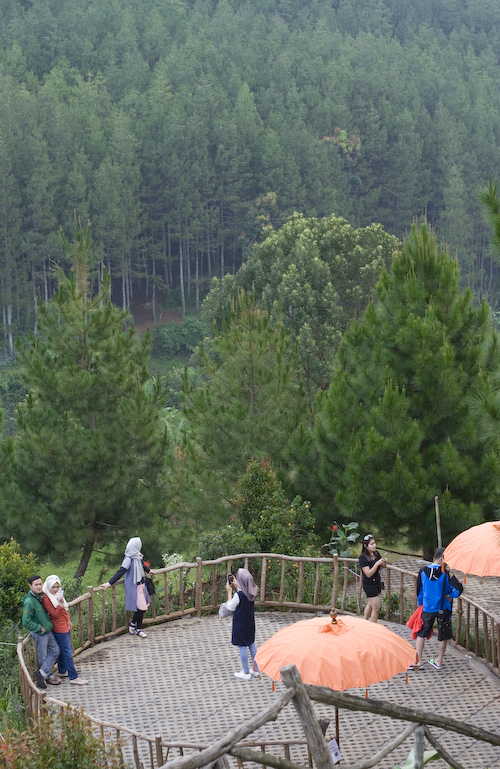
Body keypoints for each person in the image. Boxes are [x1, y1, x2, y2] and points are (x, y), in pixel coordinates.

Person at [409, 546, 463, 671]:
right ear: (442, 559)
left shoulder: (423, 571)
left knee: (421, 634)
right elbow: (459, 589)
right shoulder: (447, 574)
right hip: (443, 608)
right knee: (442, 635)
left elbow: (419, 590)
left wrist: (421, 603)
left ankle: (418, 662)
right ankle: (438, 661)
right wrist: (451, 595)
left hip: (427, 608)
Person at [100, 537, 154, 638]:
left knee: (142, 607)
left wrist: (149, 570)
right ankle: (137, 627)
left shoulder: (138, 556)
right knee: (140, 608)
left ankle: (134, 624)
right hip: (134, 587)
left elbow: (142, 566)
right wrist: (109, 583)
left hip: (141, 585)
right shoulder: (128, 559)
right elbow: (120, 572)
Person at [42, 575, 89, 685]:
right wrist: (60, 603)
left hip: (65, 625)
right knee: (67, 651)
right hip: (59, 627)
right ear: (48, 587)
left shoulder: (57, 594)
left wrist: (67, 619)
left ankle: (62, 670)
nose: (56, 589)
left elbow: (64, 610)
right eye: (53, 587)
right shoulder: (47, 598)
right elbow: (54, 614)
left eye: (57, 587)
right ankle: (73, 677)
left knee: (63, 649)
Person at [22, 575, 61, 690]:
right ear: (30, 586)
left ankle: (42, 674)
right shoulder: (29, 601)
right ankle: (46, 677)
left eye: (40, 584)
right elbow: (25, 621)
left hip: (48, 631)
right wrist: (39, 628)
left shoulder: (40, 596)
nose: (39, 586)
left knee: (55, 650)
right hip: (41, 633)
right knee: (43, 656)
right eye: (36, 585)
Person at [223, 568, 260, 681]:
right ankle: (256, 669)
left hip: (240, 624)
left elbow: (230, 607)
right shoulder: (252, 590)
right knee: (251, 644)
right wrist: (238, 586)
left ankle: (246, 672)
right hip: (250, 623)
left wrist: (229, 592)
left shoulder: (238, 595)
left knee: (242, 645)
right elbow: (244, 590)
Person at [359, 534, 387, 622]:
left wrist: (384, 562)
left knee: (370, 604)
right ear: (366, 546)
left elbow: (384, 566)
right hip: (369, 584)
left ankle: (365, 621)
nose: (374, 545)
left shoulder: (376, 554)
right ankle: (372, 627)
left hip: (377, 582)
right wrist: (377, 563)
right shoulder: (363, 558)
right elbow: (368, 574)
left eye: (374, 543)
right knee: (376, 608)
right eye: (371, 544)